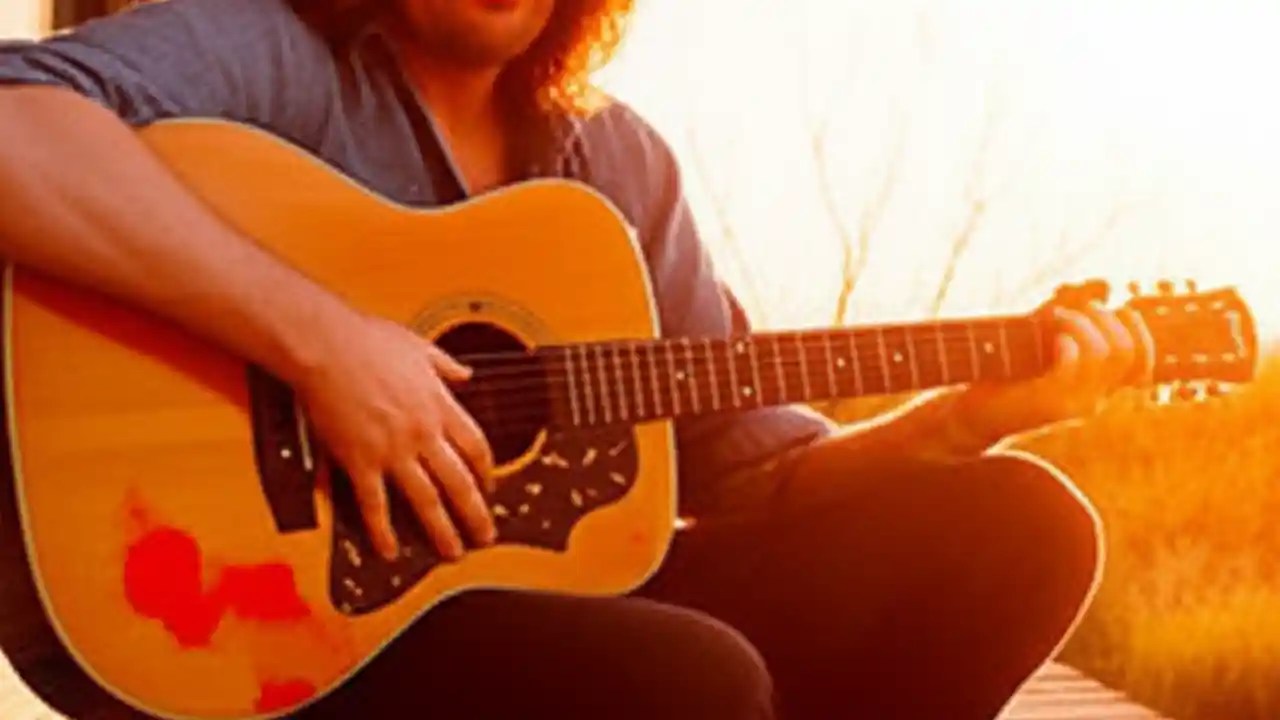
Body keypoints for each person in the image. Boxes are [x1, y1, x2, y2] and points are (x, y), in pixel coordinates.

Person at [0, 1, 1154, 718]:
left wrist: (960, 419)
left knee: (1016, 528)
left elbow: (743, 476)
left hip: (545, 595)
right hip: (263, 625)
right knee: (685, 683)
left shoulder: (614, 161)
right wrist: (327, 346)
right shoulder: (274, 53)